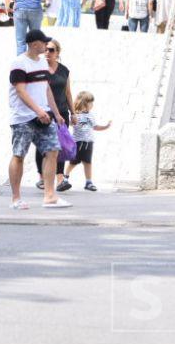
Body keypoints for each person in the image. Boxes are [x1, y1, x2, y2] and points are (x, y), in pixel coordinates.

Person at [7, 29, 70, 210]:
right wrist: (37, 110)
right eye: (44, 43)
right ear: (35, 44)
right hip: (23, 117)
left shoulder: (42, 63)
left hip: (45, 116)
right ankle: (16, 198)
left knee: (52, 151)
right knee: (19, 155)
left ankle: (50, 196)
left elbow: (47, 89)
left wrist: (56, 113)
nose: (46, 46)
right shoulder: (19, 63)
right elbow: (20, 91)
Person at [35, 39, 74, 193]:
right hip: (44, 112)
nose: (47, 52)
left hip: (62, 112)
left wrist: (73, 113)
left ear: (57, 52)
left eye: (51, 49)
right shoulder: (38, 70)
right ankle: (42, 178)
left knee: (60, 144)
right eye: (45, 49)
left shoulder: (64, 70)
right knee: (42, 145)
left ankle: (59, 178)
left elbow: (68, 93)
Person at [64, 91, 112, 191]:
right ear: (85, 103)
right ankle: (65, 177)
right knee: (73, 162)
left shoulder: (90, 115)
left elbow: (95, 127)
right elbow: (70, 124)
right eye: (90, 103)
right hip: (77, 142)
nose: (92, 105)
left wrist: (105, 126)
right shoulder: (75, 115)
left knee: (87, 162)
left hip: (88, 142)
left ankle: (88, 182)